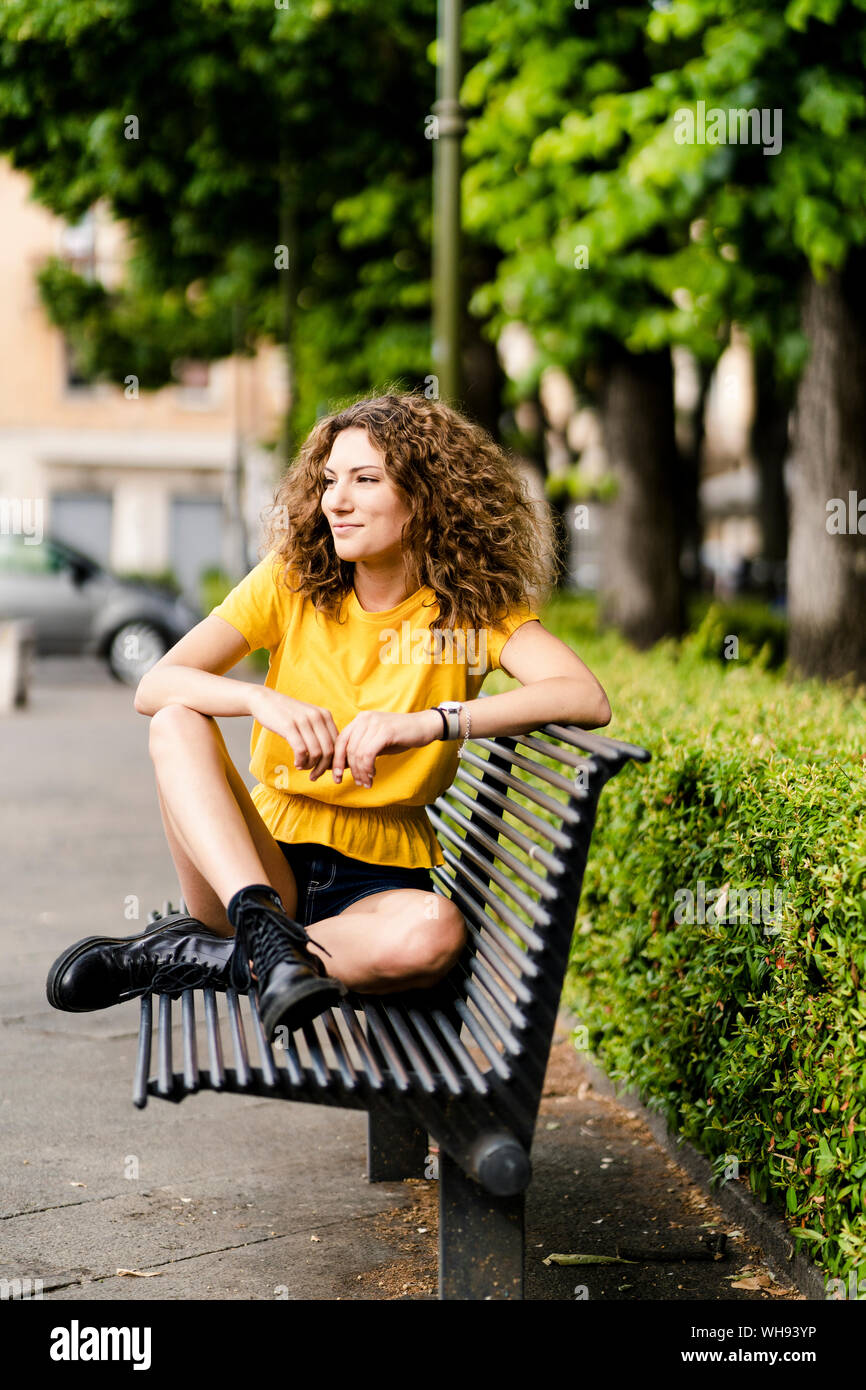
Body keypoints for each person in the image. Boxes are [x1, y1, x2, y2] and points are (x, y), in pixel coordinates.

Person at [46, 392, 611, 1041]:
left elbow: (584, 696)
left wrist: (434, 722)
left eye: (365, 480)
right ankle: (260, 932)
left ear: (427, 496)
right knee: (175, 719)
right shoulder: (293, 581)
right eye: (329, 480)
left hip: (374, 891)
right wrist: (261, 698)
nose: (335, 501)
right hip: (253, 871)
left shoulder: (469, 610)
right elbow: (158, 683)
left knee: (434, 933)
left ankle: (201, 958)